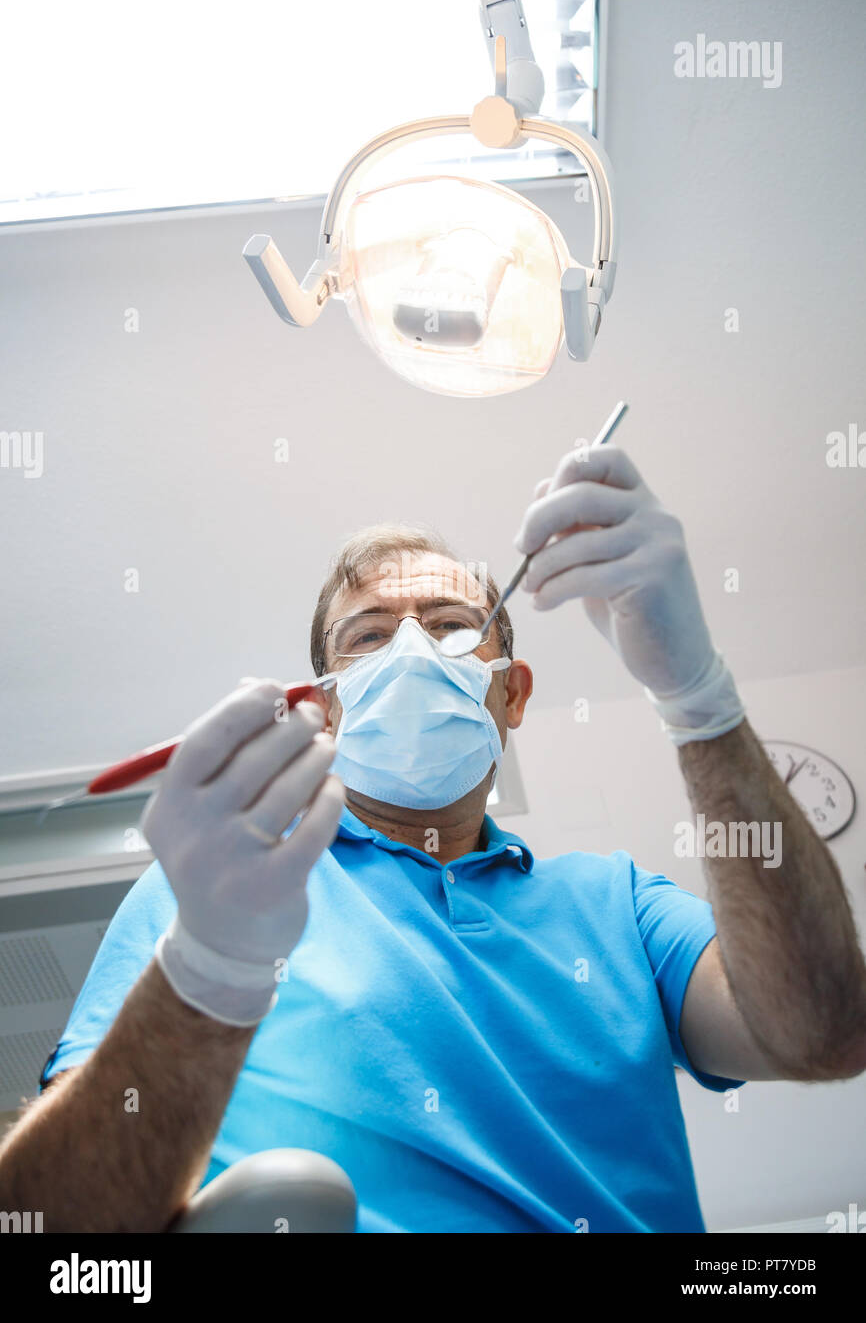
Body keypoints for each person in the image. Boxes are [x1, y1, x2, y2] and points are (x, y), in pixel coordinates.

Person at [1, 444, 864, 1233]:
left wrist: (698, 700)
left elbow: (825, 1032)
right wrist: (210, 969)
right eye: (369, 636)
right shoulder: (213, 894)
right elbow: (55, 1225)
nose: (412, 650)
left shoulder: (619, 906)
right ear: (329, 704)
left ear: (512, 693)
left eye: (450, 625)